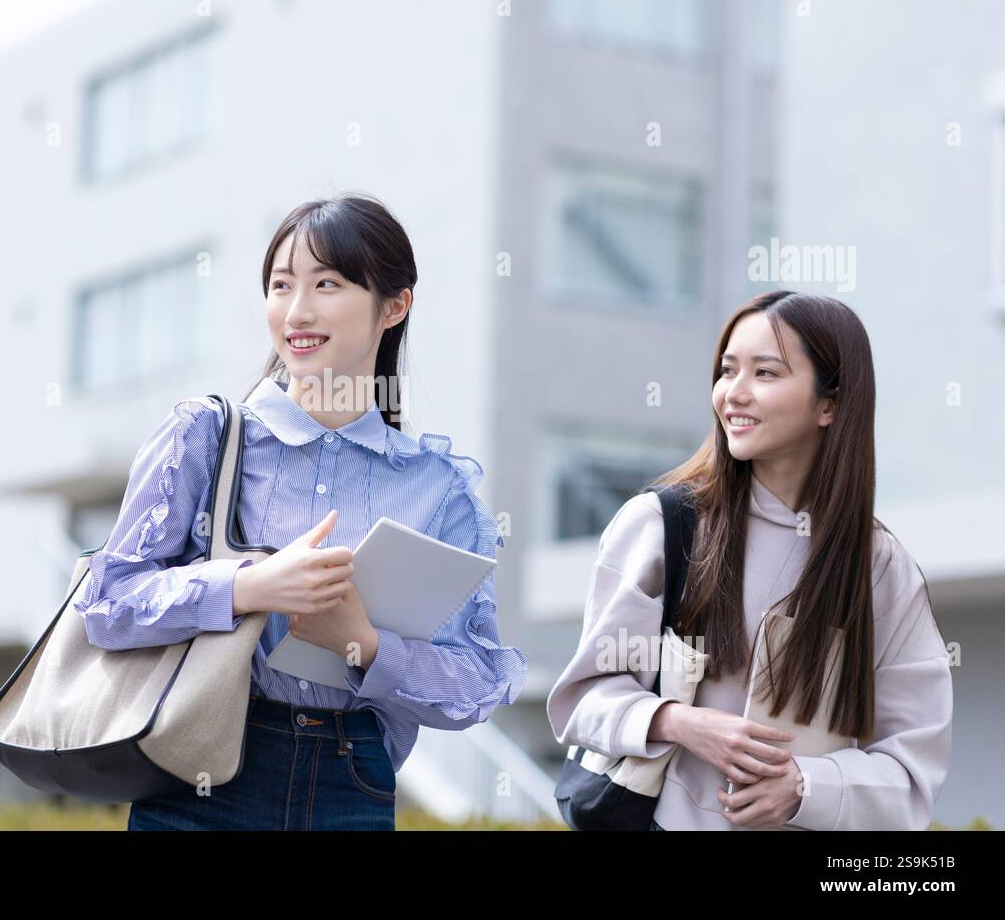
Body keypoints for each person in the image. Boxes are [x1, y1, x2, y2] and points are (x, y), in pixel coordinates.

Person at [77, 193, 527, 830]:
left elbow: (477, 682)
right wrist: (246, 586)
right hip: (202, 766)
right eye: (281, 285)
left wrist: (363, 644)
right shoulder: (205, 438)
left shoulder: (438, 488)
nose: (297, 311)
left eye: (327, 284)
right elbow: (105, 603)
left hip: (351, 783)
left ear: (394, 306)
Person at [547, 290, 952, 830]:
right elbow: (582, 698)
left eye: (765, 373)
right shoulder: (663, 525)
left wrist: (806, 786)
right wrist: (680, 722)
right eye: (726, 370)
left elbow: (911, 768)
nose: (733, 393)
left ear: (829, 405)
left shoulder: (881, 568)